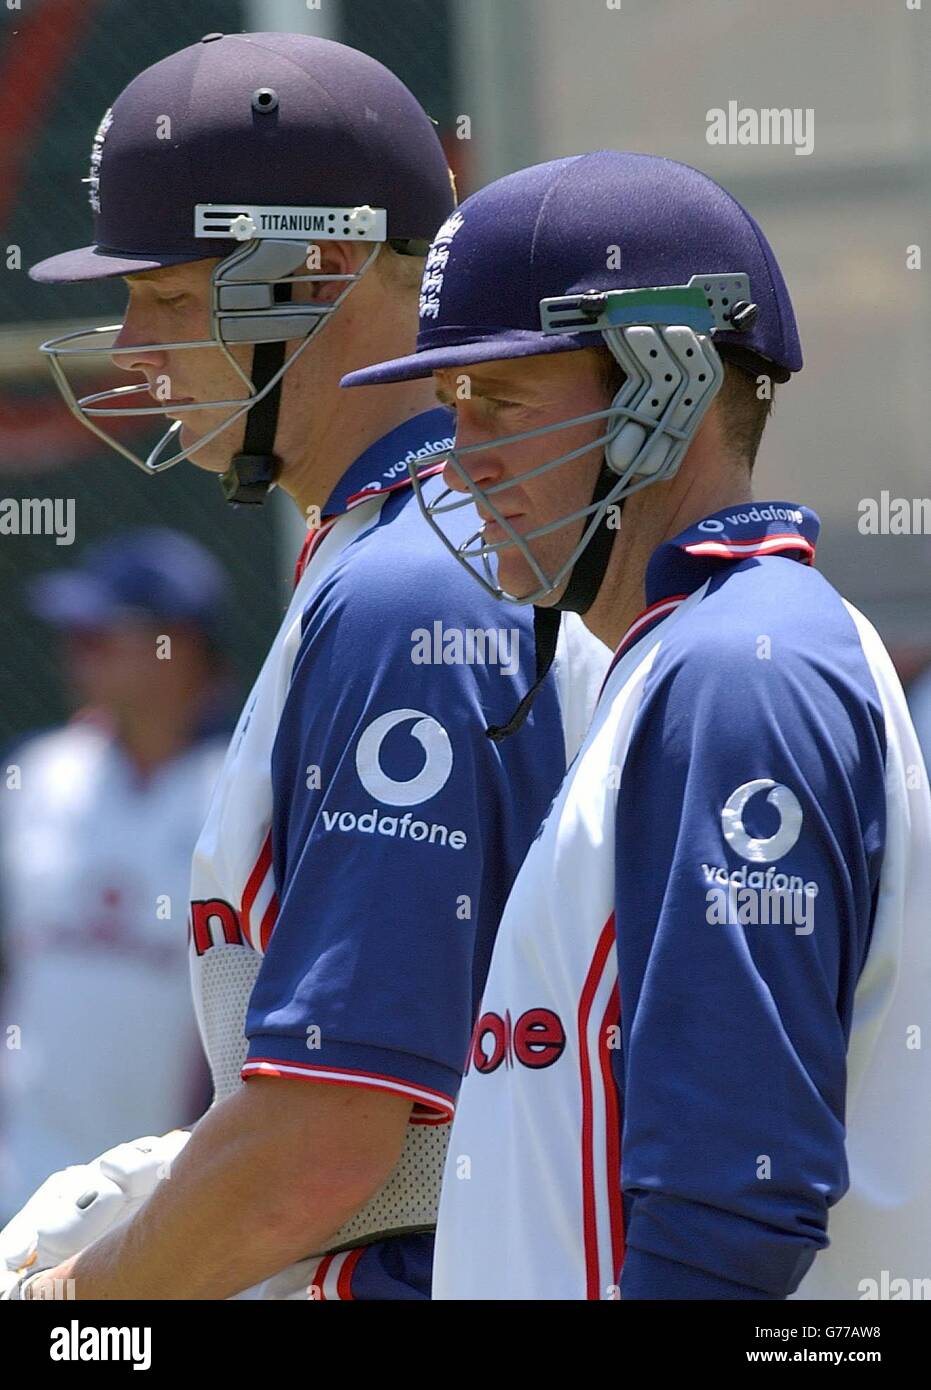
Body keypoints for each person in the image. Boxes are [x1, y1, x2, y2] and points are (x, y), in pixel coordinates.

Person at [2, 36, 608, 1300]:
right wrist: (182, 1180)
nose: (132, 349)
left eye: (166, 298)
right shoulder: (413, 545)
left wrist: (80, 1310)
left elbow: (335, 1146)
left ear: (319, 268)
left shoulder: (408, 586)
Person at [343, 149, 931, 1300]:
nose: (461, 463)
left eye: (499, 403)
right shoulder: (688, 654)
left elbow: (732, 1200)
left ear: (667, 388)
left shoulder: (733, 671)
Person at [0, 528, 229, 1220]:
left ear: (178, 646)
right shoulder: (38, 774)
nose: (78, 646)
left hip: (177, 1183)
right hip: (24, 1169)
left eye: (103, 631)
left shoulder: (245, 793)